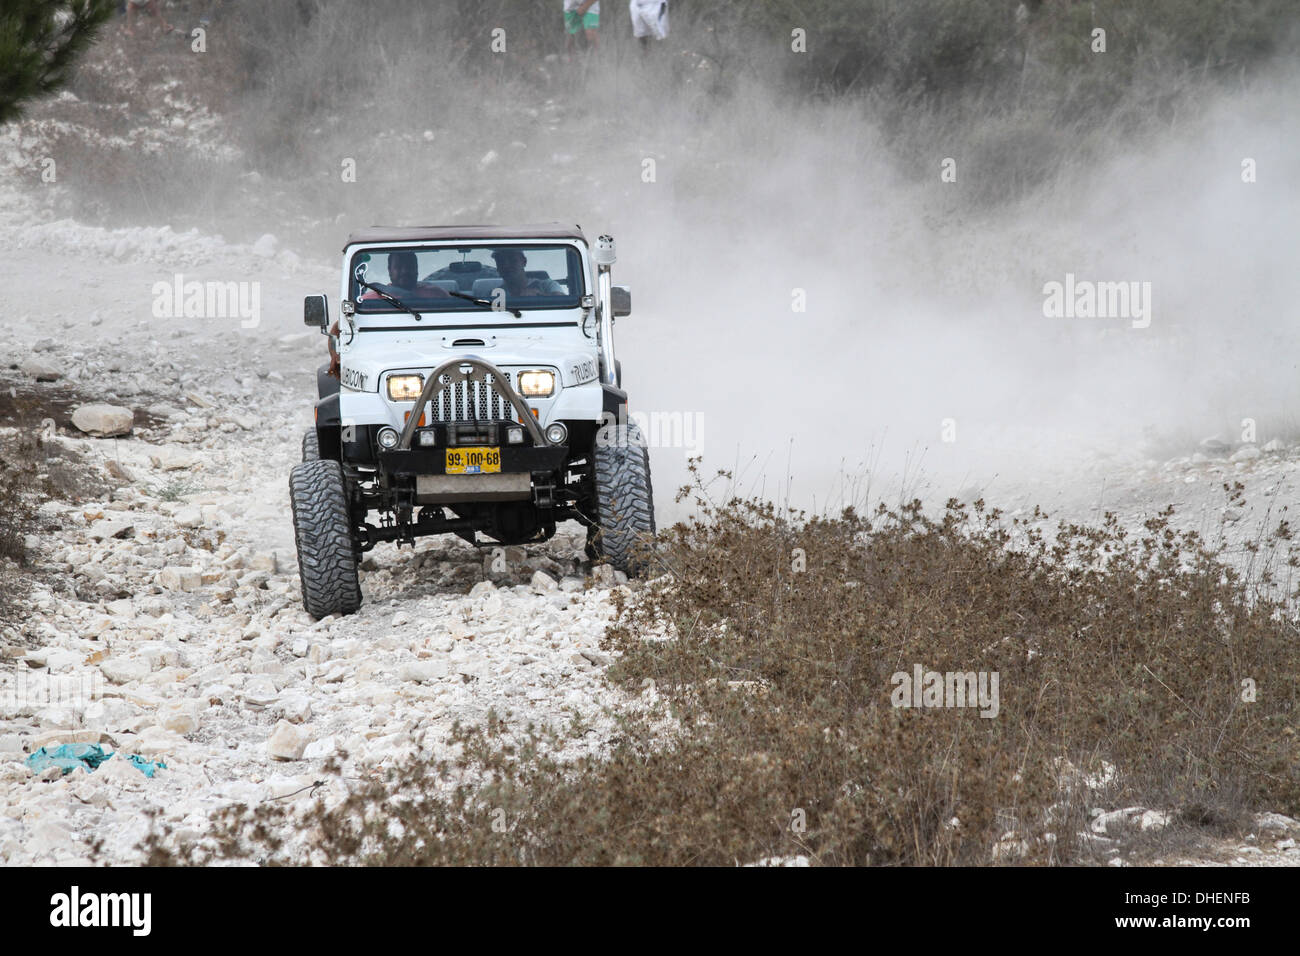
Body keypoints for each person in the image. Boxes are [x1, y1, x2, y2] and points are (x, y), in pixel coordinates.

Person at [330, 252, 448, 377]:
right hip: (383, 363)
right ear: (390, 271)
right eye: (399, 267)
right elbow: (340, 328)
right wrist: (335, 357)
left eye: (409, 267)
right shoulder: (368, 301)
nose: (404, 271)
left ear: (417, 270)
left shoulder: (436, 294)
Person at [490, 249, 565, 297]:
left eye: (512, 260)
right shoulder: (496, 294)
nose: (506, 265)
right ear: (497, 267)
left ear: (524, 262)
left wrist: (539, 295)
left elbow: (563, 301)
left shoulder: (547, 285)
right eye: (501, 262)